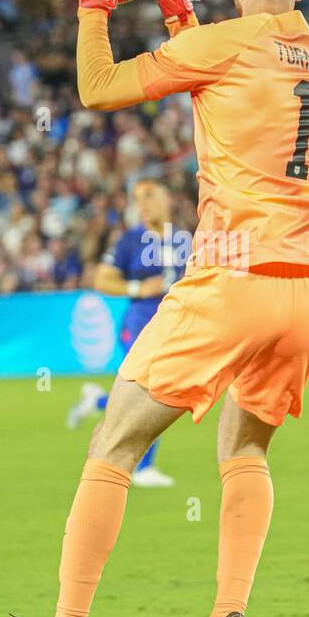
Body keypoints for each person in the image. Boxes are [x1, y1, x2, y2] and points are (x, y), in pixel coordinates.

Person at [0, 0, 309, 617]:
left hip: (232, 275)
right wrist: (176, 5)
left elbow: (98, 87)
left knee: (112, 443)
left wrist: (93, 1)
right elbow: (219, 94)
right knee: (244, 450)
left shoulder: (223, 45)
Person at [66, 178, 183, 488]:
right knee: (152, 392)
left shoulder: (184, 239)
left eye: (150, 197)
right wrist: (137, 287)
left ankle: (98, 401)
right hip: (139, 325)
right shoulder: (130, 240)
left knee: (159, 393)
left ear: (167, 199)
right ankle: (143, 467)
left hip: (172, 327)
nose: (144, 205)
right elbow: (103, 280)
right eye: (138, 200)